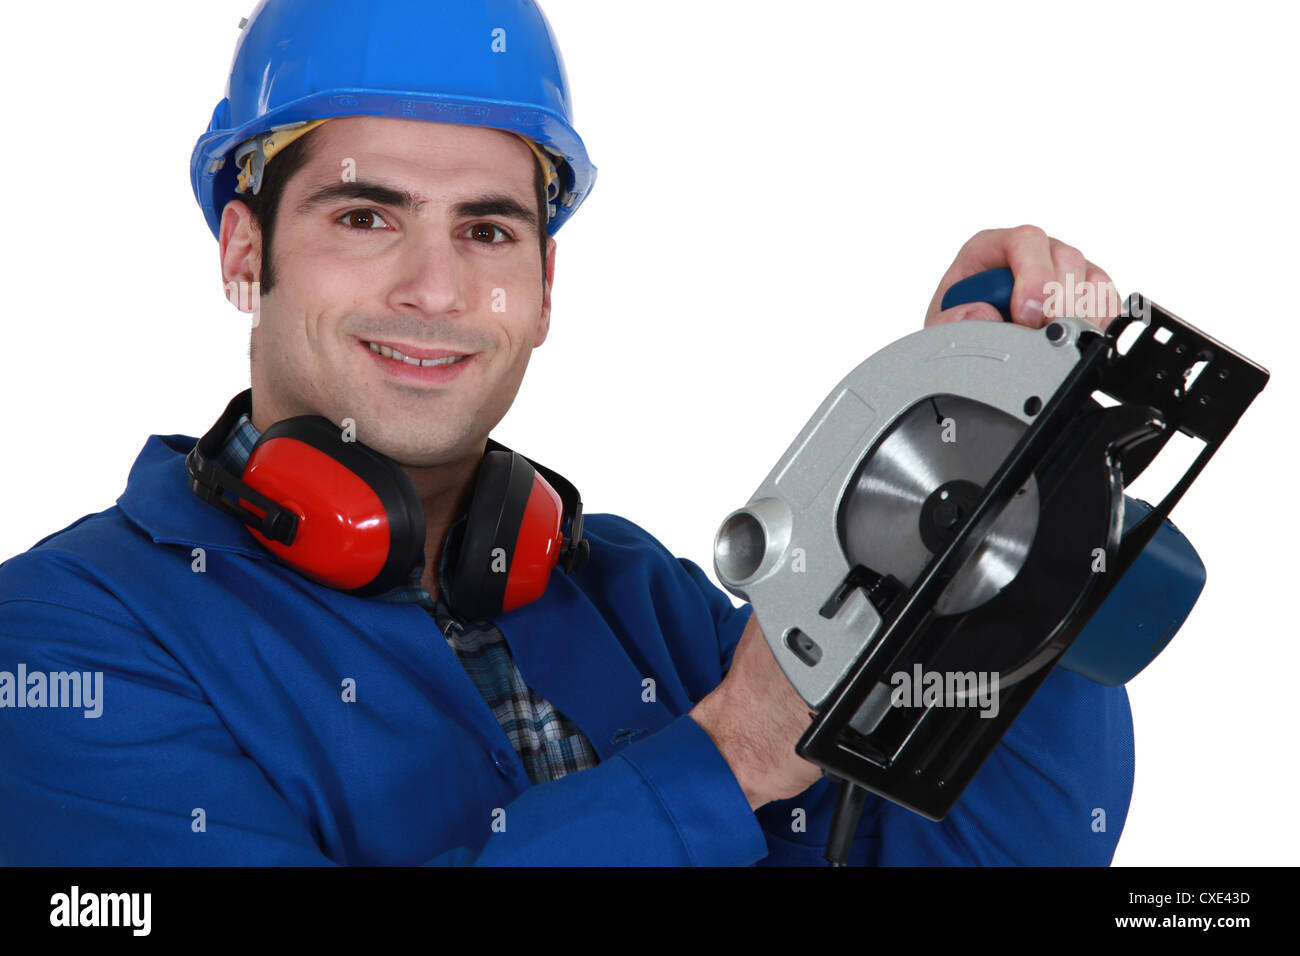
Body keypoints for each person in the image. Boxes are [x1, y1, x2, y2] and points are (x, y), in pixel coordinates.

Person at [0, 0, 1133, 866]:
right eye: (364, 215)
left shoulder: (638, 596)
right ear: (245, 251)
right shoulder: (63, 642)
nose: (434, 288)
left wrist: (1027, 499)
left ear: (545, 286)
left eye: (488, 230)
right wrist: (726, 754)